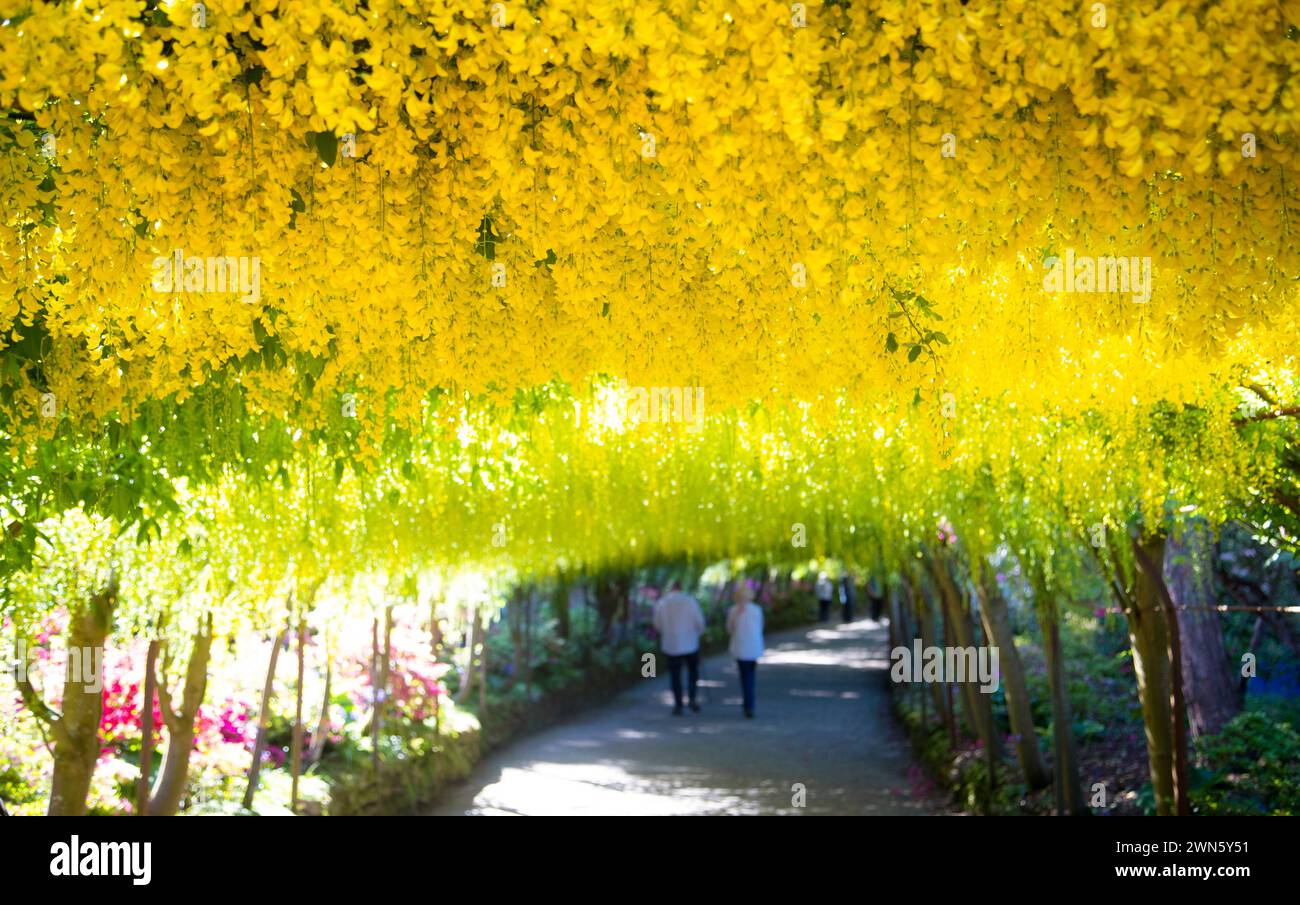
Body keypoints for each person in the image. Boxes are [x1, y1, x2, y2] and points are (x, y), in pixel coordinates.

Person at [653, 580, 705, 715]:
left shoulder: (662, 603)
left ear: (671, 588)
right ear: (681, 588)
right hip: (690, 643)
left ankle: (678, 704)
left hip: (671, 644)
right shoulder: (690, 601)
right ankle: (692, 699)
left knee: (675, 675)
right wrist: (698, 633)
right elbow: (699, 622)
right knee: (693, 672)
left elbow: (657, 625)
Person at [726, 583, 764, 718]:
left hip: (741, 647)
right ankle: (749, 703)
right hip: (753, 647)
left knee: (745, 677)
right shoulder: (757, 610)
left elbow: (729, 629)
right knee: (750, 676)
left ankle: (748, 704)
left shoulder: (733, 611)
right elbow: (760, 628)